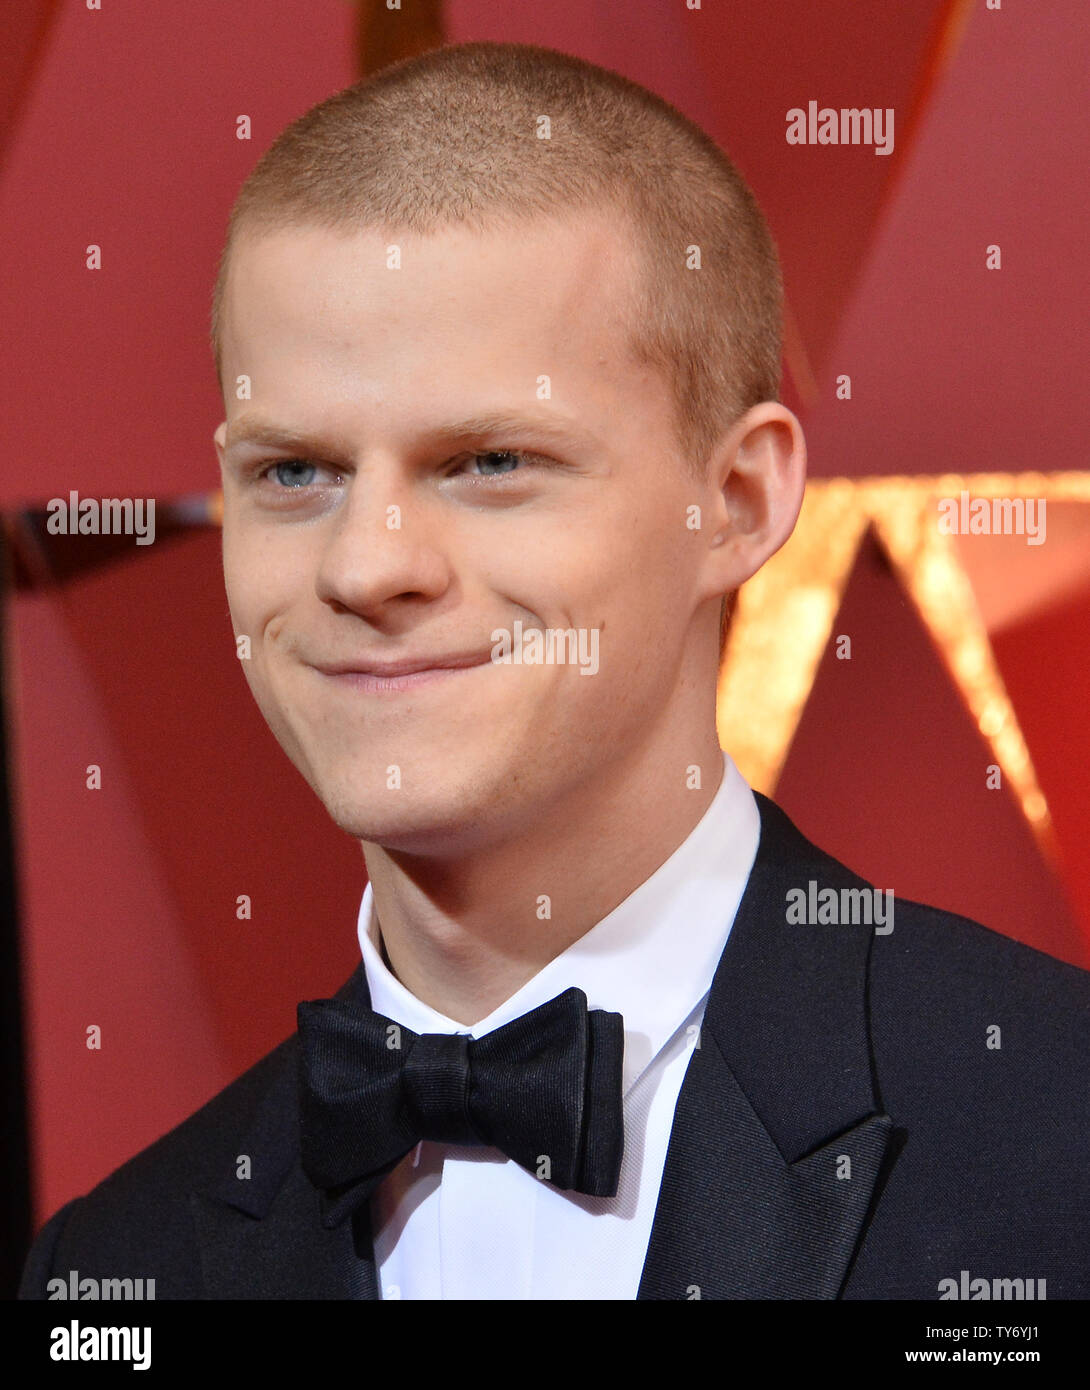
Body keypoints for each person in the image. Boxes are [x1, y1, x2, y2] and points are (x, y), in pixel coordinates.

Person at [19, 39, 1090, 1301]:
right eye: (293, 472)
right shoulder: (108, 1272)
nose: (368, 567)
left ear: (735, 500)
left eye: (488, 462)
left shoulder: (1054, 1130)